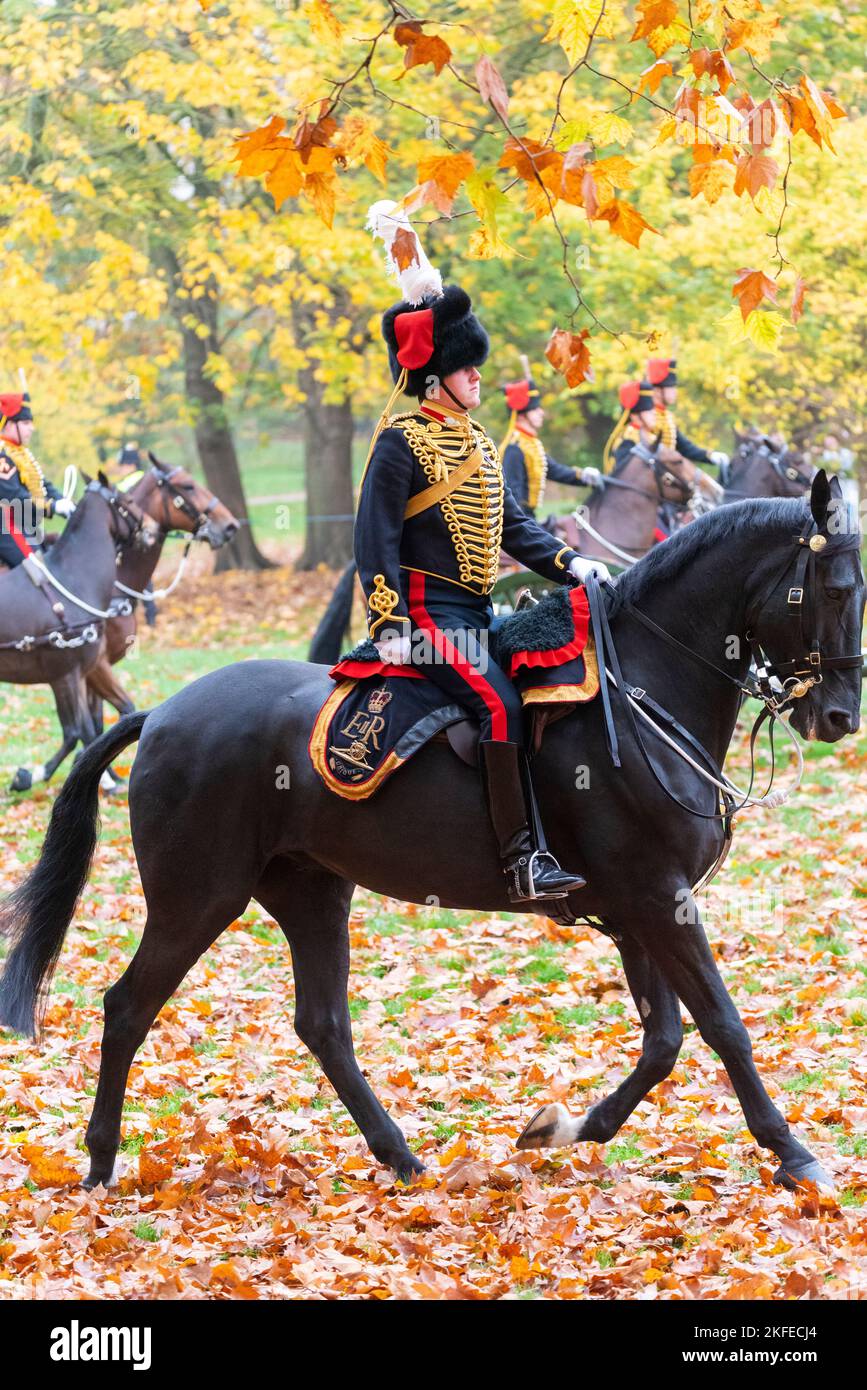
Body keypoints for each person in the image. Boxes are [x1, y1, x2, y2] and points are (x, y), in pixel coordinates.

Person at [357, 201, 609, 905]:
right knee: (498, 705)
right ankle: (519, 859)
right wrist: (390, 629)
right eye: (466, 369)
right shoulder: (399, 441)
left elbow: (516, 526)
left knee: (549, 687)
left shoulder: (475, 444)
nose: (477, 379)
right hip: (426, 618)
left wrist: (569, 565)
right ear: (435, 376)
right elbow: (371, 543)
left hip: (475, 609)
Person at [500, 370, 598, 516]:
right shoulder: (515, 448)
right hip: (520, 520)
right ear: (521, 415)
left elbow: (554, 471)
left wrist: (584, 477)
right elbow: (514, 499)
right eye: (535, 409)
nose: (541, 413)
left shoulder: (530, 443)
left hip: (530, 517)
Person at [0, 385, 75, 571]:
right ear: (8, 424)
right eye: (25, 423)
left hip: (24, 525)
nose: (31, 429)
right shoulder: (2, 455)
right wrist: (52, 507)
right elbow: (16, 498)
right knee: (39, 570)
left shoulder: (20, 453)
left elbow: (43, 484)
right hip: (6, 526)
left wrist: (61, 500)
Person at [646, 357, 729, 471]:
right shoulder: (646, 418)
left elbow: (685, 448)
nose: (675, 392)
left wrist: (711, 456)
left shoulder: (666, 417)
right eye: (671, 388)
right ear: (657, 391)